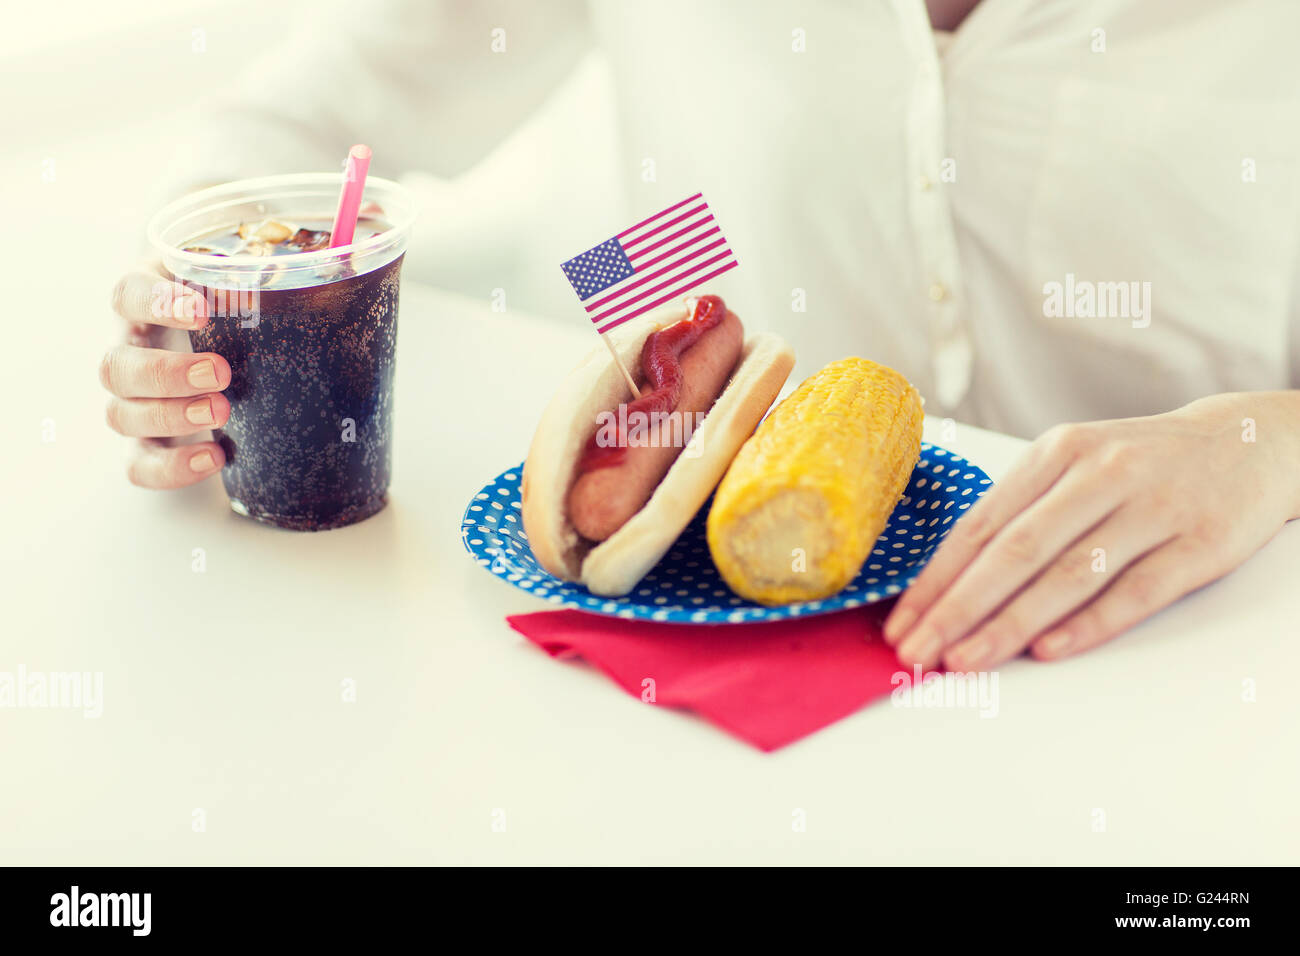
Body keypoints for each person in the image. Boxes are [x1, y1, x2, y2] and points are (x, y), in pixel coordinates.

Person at [100, 0, 1300, 672]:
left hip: (1201, 633)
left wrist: (1271, 438)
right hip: (707, 650)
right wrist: (176, 325)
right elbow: (294, 121)